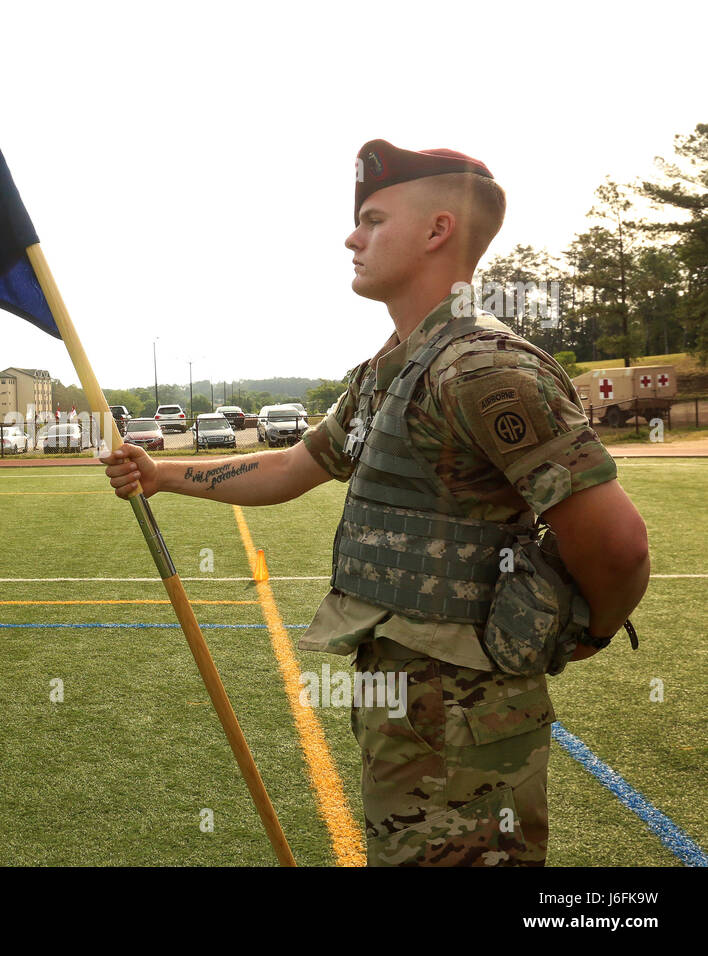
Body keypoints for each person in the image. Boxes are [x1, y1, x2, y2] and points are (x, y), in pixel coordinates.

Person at [102, 138, 650, 866]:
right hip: (409, 705)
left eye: (373, 219)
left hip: (467, 721)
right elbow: (296, 465)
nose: (351, 237)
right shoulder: (392, 370)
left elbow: (617, 544)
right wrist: (162, 475)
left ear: (436, 231)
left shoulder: (483, 370)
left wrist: (592, 632)